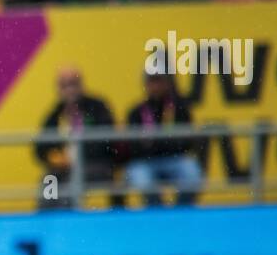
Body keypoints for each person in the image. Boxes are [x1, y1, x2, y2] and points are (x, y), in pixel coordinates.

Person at [34, 68, 121, 210]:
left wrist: (78, 156)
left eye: (72, 84)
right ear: (58, 89)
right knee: (49, 183)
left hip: (95, 165)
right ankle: (47, 224)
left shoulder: (97, 107)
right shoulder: (56, 113)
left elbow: (107, 141)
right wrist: (53, 157)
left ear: (81, 85)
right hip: (63, 169)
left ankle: (69, 224)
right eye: (64, 85)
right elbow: (40, 148)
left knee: (70, 185)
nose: (69, 89)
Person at [124, 69, 204, 208]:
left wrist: (155, 144)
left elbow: (188, 141)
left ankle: (181, 212)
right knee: (142, 179)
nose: (155, 86)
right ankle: (157, 212)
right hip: (145, 162)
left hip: (174, 158)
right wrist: (162, 144)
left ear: (167, 84)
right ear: (145, 85)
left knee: (192, 172)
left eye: (159, 81)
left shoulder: (179, 109)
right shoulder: (136, 112)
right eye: (151, 82)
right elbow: (133, 146)